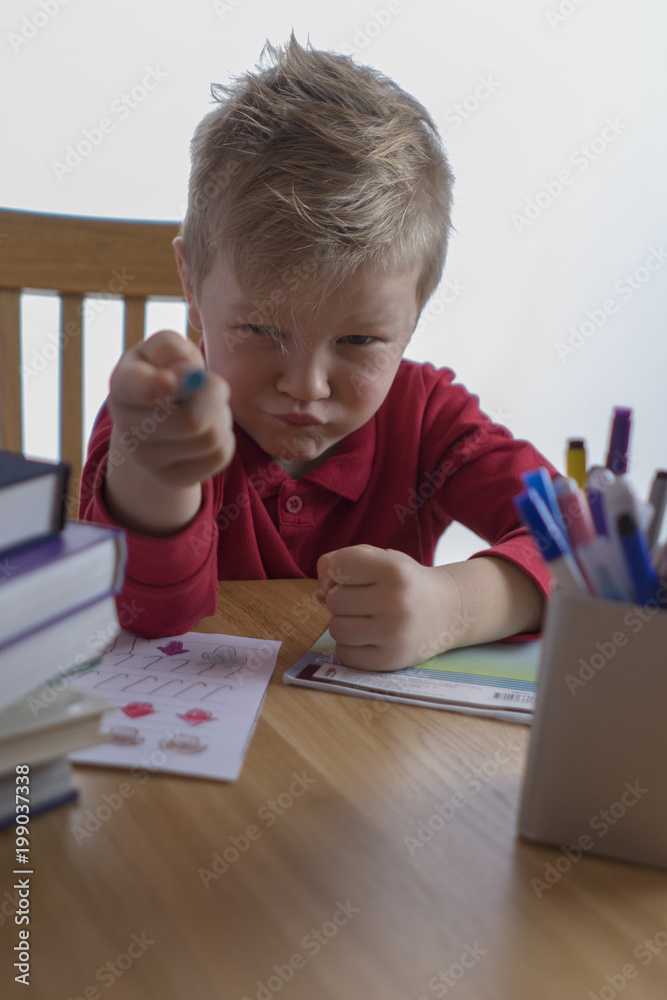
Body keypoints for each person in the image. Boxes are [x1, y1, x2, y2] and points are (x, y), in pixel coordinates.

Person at [79, 32, 559, 671]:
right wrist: (156, 480)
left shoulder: (429, 420)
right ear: (192, 285)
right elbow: (147, 619)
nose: (306, 386)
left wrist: (455, 607)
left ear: (415, 316)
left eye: (358, 340)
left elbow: (584, 541)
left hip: (363, 759)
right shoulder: (161, 417)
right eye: (260, 331)